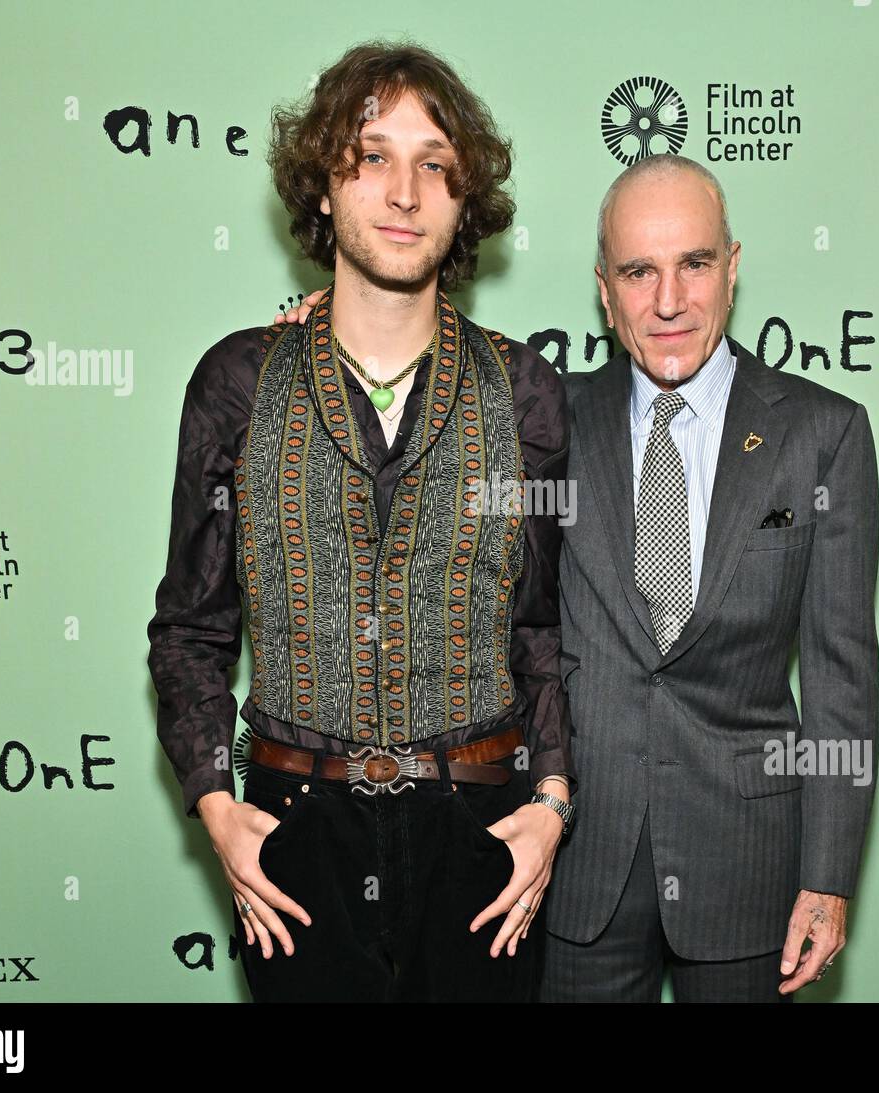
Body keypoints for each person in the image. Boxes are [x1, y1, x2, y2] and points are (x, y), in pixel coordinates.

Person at [146, 40, 574, 1003]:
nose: (405, 191)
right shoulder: (239, 383)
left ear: (466, 203)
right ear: (324, 185)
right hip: (297, 831)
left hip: (485, 830)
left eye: (435, 164)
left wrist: (550, 799)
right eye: (372, 155)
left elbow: (544, 630)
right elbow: (191, 629)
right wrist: (216, 801)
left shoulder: (527, 393)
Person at [539, 154, 879, 1002]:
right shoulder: (545, 419)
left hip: (749, 867)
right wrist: (331, 325)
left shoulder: (823, 433)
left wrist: (830, 876)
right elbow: (424, 367)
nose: (668, 301)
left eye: (693, 263)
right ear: (604, 289)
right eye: (638, 271)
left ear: (732, 267)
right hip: (577, 863)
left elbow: (841, 677)